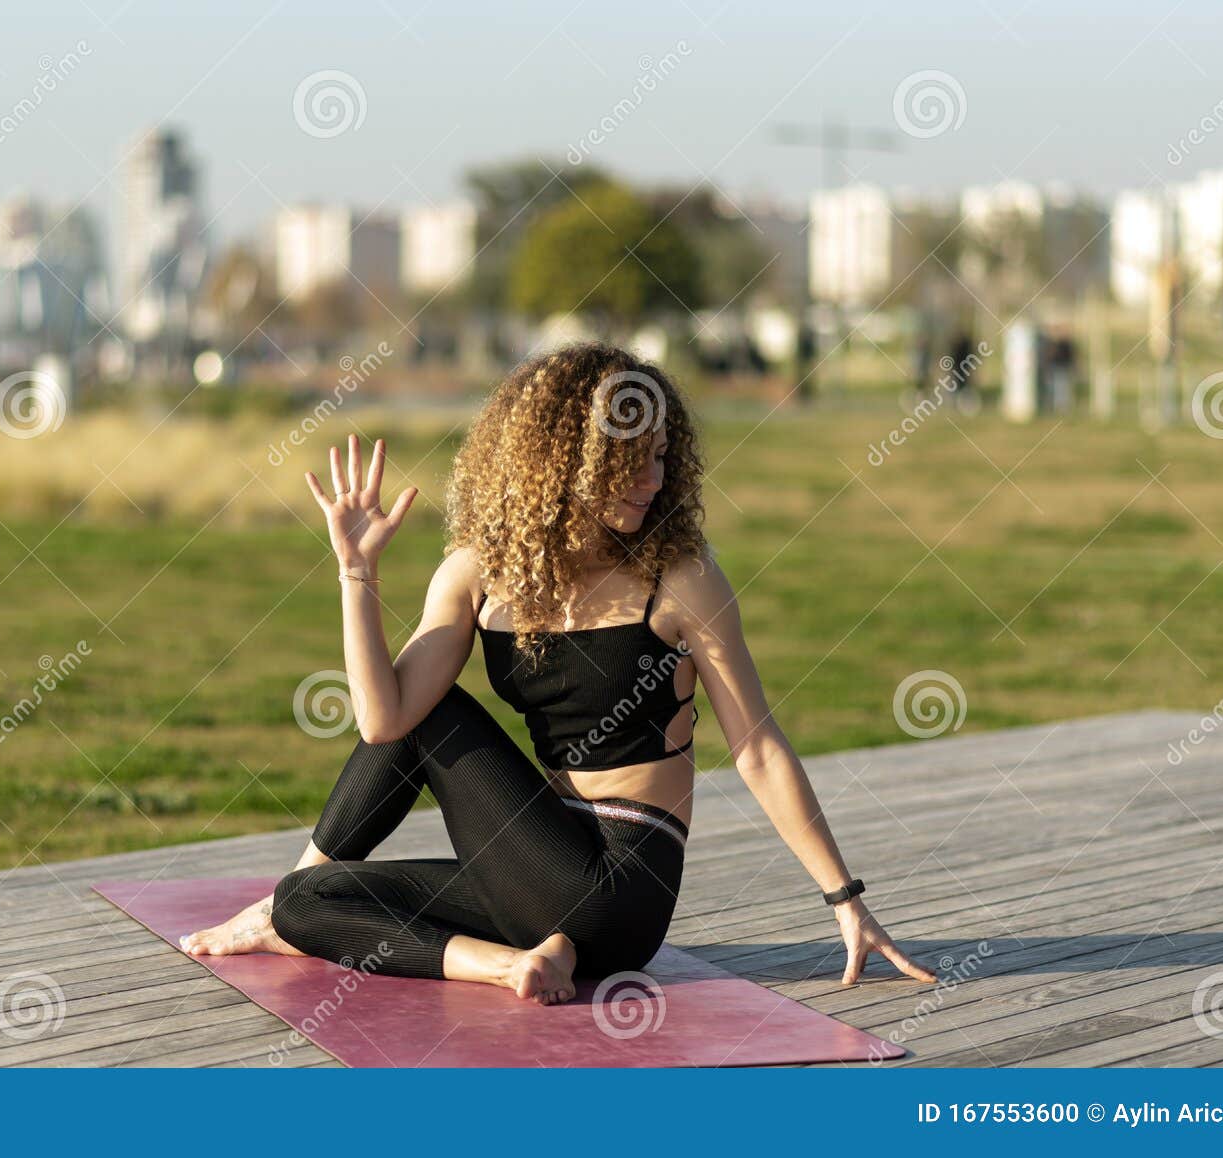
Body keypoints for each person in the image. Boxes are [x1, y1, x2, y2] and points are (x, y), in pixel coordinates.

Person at [182, 343, 935, 1005]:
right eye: (631, 459)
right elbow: (381, 724)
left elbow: (758, 747)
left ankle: (290, 912)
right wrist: (357, 575)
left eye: (663, 455)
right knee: (311, 903)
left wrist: (846, 900)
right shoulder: (476, 574)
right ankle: (505, 964)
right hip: (531, 874)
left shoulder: (678, 580)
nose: (653, 477)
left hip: (622, 894)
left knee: (434, 716)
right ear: (561, 461)